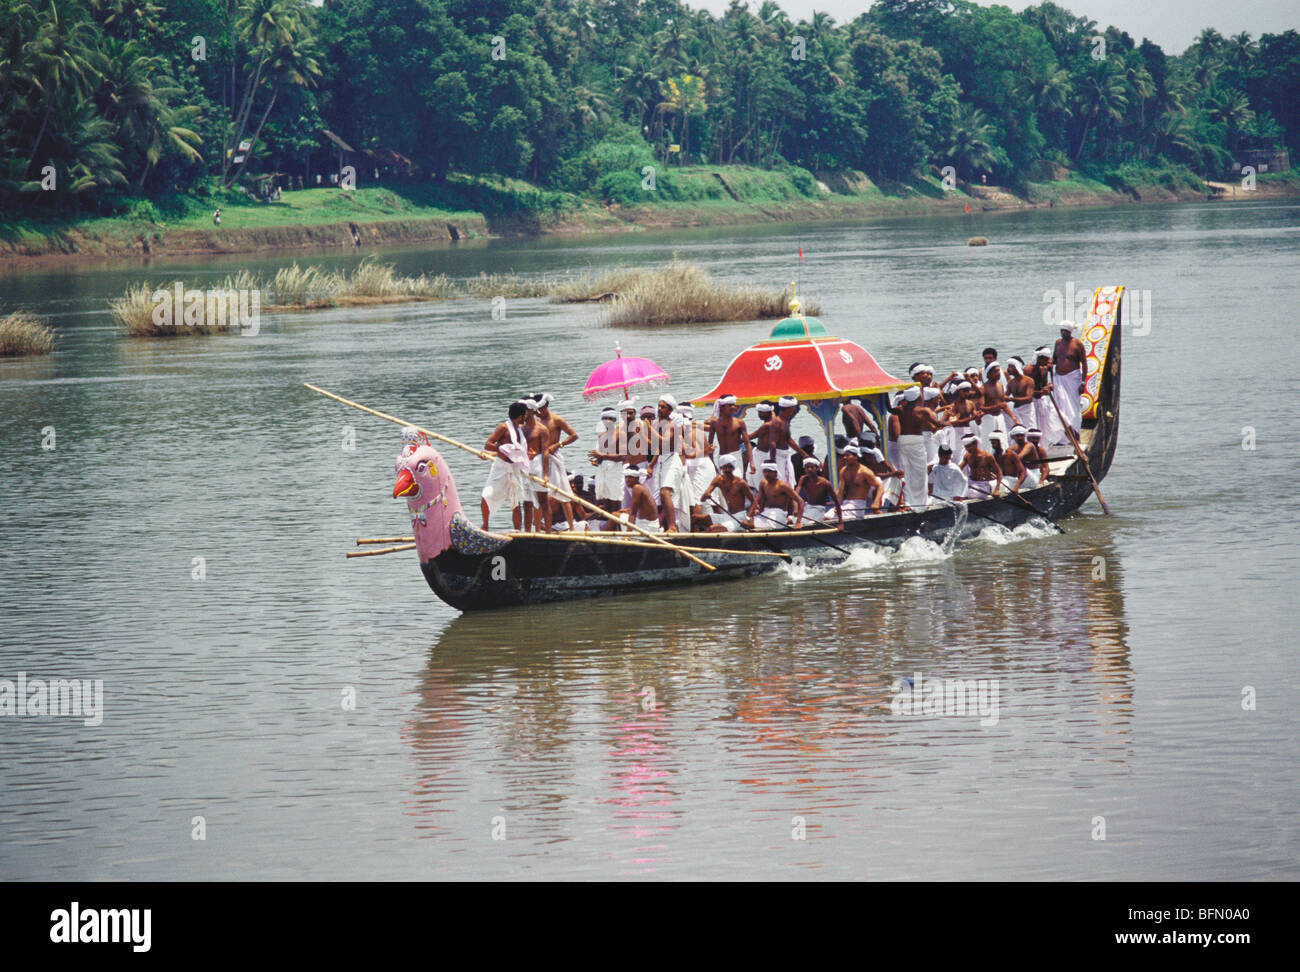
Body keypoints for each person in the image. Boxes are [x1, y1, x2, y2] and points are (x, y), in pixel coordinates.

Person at [480, 401, 530, 530]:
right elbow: (488, 444)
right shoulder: (503, 427)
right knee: (487, 494)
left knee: (516, 502)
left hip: (514, 468)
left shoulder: (519, 430)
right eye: (524, 415)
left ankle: (518, 530)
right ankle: (485, 525)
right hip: (501, 467)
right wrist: (504, 449)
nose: (525, 418)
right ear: (520, 416)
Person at [534, 393, 579, 531]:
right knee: (541, 494)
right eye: (536, 410)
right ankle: (537, 528)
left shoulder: (556, 420)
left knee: (563, 493)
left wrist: (559, 444)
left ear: (546, 406)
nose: (538, 412)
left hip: (554, 457)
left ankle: (571, 528)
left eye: (541, 409)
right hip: (540, 459)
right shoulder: (535, 422)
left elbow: (574, 435)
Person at [648, 394, 693, 533]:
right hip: (662, 461)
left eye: (663, 407)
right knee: (661, 496)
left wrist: (649, 428)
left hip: (672, 460)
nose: (659, 409)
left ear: (670, 411)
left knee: (665, 492)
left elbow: (665, 442)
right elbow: (656, 447)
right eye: (659, 406)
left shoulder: (671, 425)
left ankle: (673, 526)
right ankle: (667, 526)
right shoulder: (657, 424)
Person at [896, 386, 945, 510]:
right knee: (921, 473)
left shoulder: (900, 409)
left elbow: (888, 408)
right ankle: (921, 504)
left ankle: (907, 503)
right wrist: (948, 420)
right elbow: (939, 424)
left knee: (906, 472)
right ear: (918, 396)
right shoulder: (922, 410)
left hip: (903, 441)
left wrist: (885, 394)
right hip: (916, 442)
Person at [589, 405, 631, 525]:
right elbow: (601, 456)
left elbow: (622, 456)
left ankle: (617, 527)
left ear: (614, 419)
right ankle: (607, 526)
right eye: (605, 418)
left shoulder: (620, 434)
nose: (607, 420)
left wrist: (602, 456)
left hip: (615, 471)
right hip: (603, 471)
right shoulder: (601, 436)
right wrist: (597, 461)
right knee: (603, 500)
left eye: (610, 418)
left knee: (615, 500)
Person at [707, 394, 754, 486]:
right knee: (724, 486)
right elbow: (710, 445)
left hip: (736, 456)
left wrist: (751, 462)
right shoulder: (714, 423)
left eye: (733, 404)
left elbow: (747, 443)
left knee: (737, 482)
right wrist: (712, 463)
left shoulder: (739, 423)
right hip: (721, 457)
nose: (733, 407)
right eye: (730, 405)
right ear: (722, 407)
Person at [699, 456, 756, 532]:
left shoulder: (740, 482)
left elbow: (754, 502)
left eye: (730, 467)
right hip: (727, 515)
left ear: (733, 468)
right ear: (721, 468)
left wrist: (748, 518)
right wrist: (706, 495)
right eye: (725, 467)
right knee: (695, 518)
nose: (727, 470)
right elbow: (703, 498)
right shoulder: (718, 479)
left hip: (739, 517)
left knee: (713, 529)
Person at [520, 398, 553, 532]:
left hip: (537, 465)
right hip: (524, 465)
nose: (524, 414)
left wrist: (545, 475)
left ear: (532, 411)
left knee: (543, 501)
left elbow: (545, 452)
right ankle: (528, 531)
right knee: (526, 504)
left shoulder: (541, 429)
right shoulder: (520, 428)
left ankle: (549, 532)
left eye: (526, 411)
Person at [1052, 321, 1087, 444]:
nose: (1062, 333)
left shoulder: (1077, 344)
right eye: (1061, 331)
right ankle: (1063, 436)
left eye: (1065, 331)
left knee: (1073, 407)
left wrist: (1083, 382)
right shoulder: (1058, 343)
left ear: (1070, 332)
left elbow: (1085, 364)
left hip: (1073, 378)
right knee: (1060, 406)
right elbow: (1054, 360)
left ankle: (1076, 434)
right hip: (1059, 378)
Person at [745, 461, 803, 530]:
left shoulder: (783, 485)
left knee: (753, 525)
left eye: (769, 471)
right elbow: (757, 500)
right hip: (766, 513)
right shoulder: (763, 483)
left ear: (775, 472)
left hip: (779, 514)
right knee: (746, 523)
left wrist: (798, 522)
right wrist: (748, 517)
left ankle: (789, 520)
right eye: (765, 471)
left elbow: (800, 501)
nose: (766, 474)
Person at [837, 445, 884, 518]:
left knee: (839, 518)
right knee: (825, 517)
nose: (844, 458)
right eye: (844, 455)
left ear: (856, 457)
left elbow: (880, 486)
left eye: (848, 455)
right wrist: (837, 506)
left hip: (858, 506)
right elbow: (840, 492)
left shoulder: (865, 472)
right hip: (845, 504)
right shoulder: (843, 471)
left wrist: (876, 502)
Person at [978, 361, 1016, 451]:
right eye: (995, 371)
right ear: (989, 374)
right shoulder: (983, 388)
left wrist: (1013, 418)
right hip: (988, 419)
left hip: (1000, 418)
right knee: (988, 443)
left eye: (999, 371)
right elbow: (981, 408)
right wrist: (997, 407)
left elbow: (1004, 405)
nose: (998, 373)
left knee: (1003, 441)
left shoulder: (1000, 386)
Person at [768, 396, 806, 485]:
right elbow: (772, 444)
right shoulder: (777, 422)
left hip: (786, 456)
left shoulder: (785, 421)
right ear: (789, 408)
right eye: (793, 408)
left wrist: (804, 454)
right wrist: (773, 465)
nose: (794, 410)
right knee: (780, 483)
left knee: (789, 482)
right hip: (778, 457)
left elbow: (789, 440)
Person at [796, 457, 841, 524]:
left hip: (819, 509)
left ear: (817, 468)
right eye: (807, 467)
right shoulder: (803, 479)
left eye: (812, 467)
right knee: (789, 520)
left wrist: (841, 521)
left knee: (810, 523)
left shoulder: (825, 483)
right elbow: (795, 495)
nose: (809, 469)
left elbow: (836, 501)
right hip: (807, 508)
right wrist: (796, 509)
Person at [618, 466, 661, 533]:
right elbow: (641, 510)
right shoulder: (641, 487)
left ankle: (604, 538)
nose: (627, 480)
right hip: (649, 525)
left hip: (647, 528)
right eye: (626, 477)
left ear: (637, 478)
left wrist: (628, 535)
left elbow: (633, 513)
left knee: (615, 515)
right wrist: (627, 510)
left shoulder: (637, 488)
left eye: (630, 477)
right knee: (620, 513)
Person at [959, 431, 1002, 498]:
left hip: (983, 484)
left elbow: (998, 472)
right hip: (971, 481)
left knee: (973, 495)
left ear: (975, 443)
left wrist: (997, 490)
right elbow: (959, 469)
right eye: (966, 447)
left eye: (969, 446)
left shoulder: (987, 456)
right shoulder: (967, 456)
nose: (968, 449)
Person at [746, 402, 775, 491]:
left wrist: (736, 437)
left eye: (760, 412)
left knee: (759, 480)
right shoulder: (774, 419)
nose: (758, 415)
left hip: (762, 455)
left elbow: (750, 437)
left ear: (767, 412)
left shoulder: (766, 425)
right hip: (763, 454)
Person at [1005, 357, 1036, 429]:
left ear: (1017, 367)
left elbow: (1029, 398)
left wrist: (1011, 399)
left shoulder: (1028, 380)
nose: (1008, 369)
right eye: (1008, 366)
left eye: (1011, 366)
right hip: (1016, 410)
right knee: (1018, 430)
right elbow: (1005, 397)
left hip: (1027, 410)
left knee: (1030, 430)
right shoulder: (1011, 382)